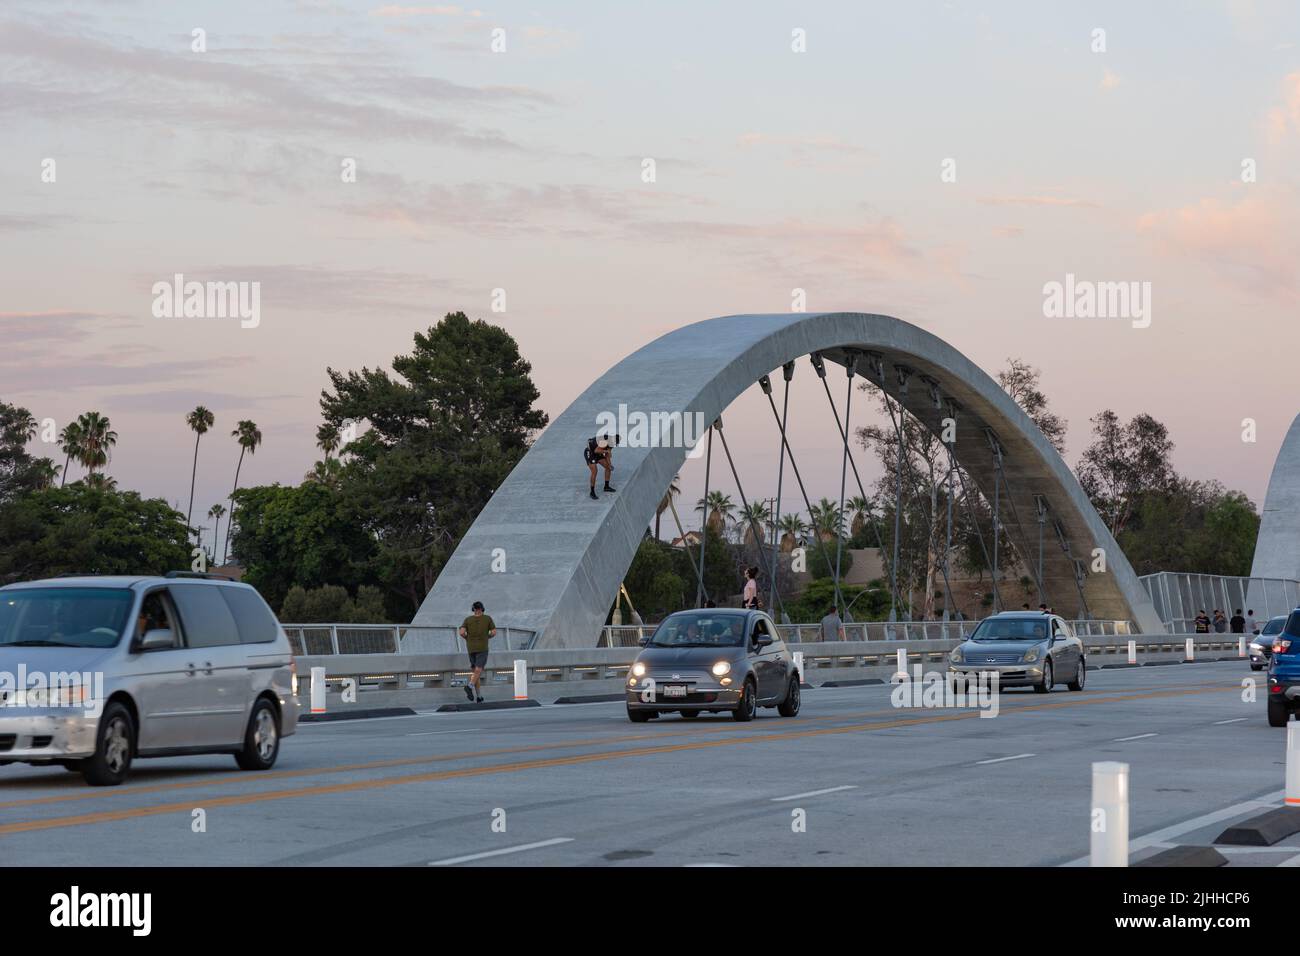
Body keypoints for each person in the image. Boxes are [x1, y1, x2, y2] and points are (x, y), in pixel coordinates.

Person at [458, 600, 496, 703]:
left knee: (475, 673)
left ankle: (479, 696)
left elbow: (461, 632)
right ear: (482, 608)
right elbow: (493, 632)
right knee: (479, 669)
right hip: (482, 648)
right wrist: (486, 637)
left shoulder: (468, 619)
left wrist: (468, 638)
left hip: (471, 648)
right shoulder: (487, 619)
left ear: (473, 609)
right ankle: (469, 687)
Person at [584, 432, 619, 500]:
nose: (615, 445)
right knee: (595, 471)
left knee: (608, 468)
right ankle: (592, 492)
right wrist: (606, 451)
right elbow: (596, 450)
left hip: (598, 452)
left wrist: (610, 464)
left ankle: (606, 486)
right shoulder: (605, 441)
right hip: (590, 452)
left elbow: (607, 455)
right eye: (615, 443)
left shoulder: (611, 444)